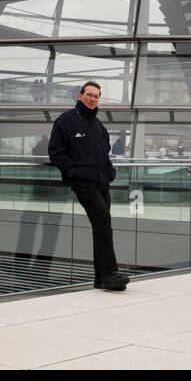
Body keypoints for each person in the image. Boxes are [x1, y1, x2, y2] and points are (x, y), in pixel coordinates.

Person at [47, 81, 128, 291]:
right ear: (80, 95)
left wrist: (109, 171)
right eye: (90, 95)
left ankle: (101, 278)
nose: (93, 99)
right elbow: (55, 152)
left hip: (102, 181)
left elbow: (105, 149)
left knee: (102, 225)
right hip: (83, 182)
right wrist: (74, 172)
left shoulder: (98, 125)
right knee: (102, 220)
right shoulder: (66, 121)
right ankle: (110, 273)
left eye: (97, 96)